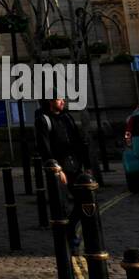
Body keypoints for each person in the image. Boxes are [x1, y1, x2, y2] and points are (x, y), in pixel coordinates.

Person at [34, 96, 91, 254]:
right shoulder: (43, 120)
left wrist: (87, 166)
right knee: (63, 207)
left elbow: (77, 142)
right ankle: (70, 240)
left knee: (84, 202)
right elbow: (44, 147)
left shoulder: (67, 117)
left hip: (75, 167)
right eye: (59, 100)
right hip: (59, 171)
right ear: (50, 102)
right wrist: (57, 169)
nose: (63, 102)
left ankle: (71, 228)